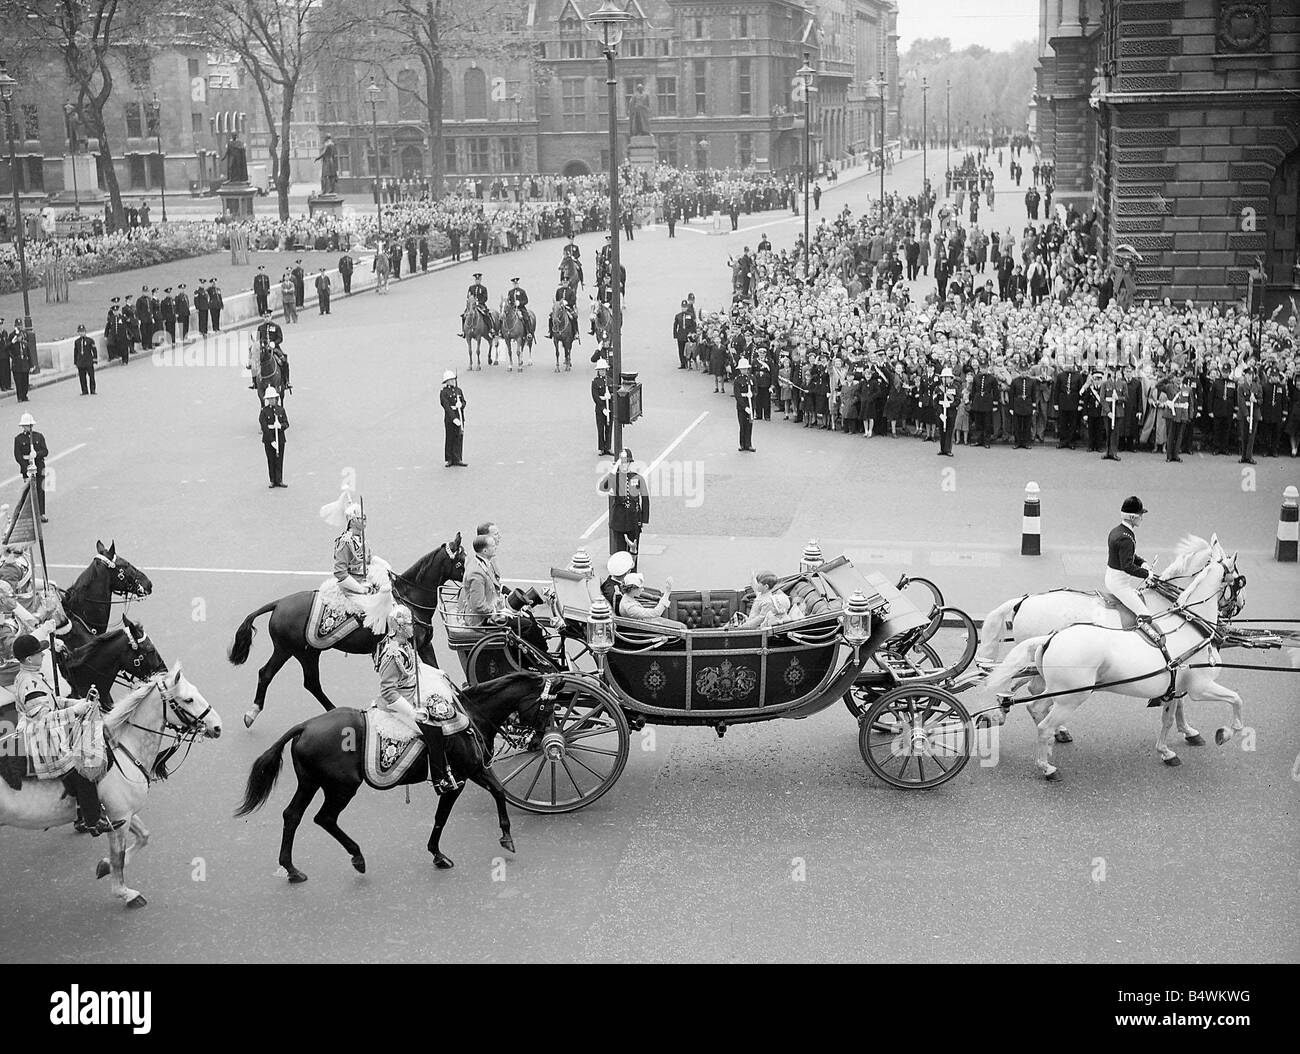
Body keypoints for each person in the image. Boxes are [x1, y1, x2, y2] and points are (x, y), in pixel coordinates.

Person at [11, 634, 120, 836]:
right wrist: (74, 712)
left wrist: (77, 703)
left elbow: (54, 701)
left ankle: (79, 811)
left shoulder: (32, 675)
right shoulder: (29, 684)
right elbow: (44, 719)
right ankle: (92, 821)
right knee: (82, 769)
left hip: (46, 733)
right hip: (42, 739)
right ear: (28, 659)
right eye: (38, 653)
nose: (43, 655)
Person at [374, 605, 457, 794]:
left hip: (412, 692)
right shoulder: (393, 654)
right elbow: (388, 692)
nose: (413, 627)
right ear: (399, 628)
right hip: (398, 705)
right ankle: (439, 780)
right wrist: (412, 713)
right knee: (433, 731)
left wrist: (438, 673)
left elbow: (417, 667)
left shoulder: (405, 644)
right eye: (410, 624)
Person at [1105, 496, 1161, 637]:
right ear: (1132, 517)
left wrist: (1142, 563)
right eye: (1140, 515)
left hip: (1113, 578)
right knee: (1145, 615)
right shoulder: (1126, 538)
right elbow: (1127, 566)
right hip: (1119, 585)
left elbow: (1129, 555)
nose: (1142, 517)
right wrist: (1147, 574)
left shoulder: (1118, 531)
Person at [604, 449, 650, 563]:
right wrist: (614, 470)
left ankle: (632, 576)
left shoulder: (637, 478)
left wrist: (643, 519)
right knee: (620, 554)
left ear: (630, 463)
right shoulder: (614, 477)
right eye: (622, 462)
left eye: (626, 462)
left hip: (634, 520)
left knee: (633, 552)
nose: (624, 465)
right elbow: (605, 486)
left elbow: (645, 499)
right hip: (619, 521)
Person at [618, 573, 684, 629]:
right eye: (640, 588)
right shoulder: (630, 607)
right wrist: (667, 591)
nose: (642, 590)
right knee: (682, 627)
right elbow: (656, 613)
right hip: (649, 628)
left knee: (682, 626)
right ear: (632, 589)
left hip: (649, 622)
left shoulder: (628, 597)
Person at [14, 413, 48, 522]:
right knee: (28, 491)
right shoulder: (18, 439)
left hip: (39, 466)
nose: (26, 427)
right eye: (24, 426)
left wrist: (36, 454)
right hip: (27, 468)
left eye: (28, 425)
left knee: (40, 490)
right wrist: (26, 469)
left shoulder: (38, 436)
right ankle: (28, 514)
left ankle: (41, 513)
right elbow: (18, 456)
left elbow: (45, 451)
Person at [259, 387, 288, 488]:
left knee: (279, 459)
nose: (272, 400)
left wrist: (280, 426)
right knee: (270, 459)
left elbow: (286, 423)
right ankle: (272, 480)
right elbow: (263, 426)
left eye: (273, 398)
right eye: (270, 399)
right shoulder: (264, 411)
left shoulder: (281, 410)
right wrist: (271, 440)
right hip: (269, 439)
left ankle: (279, 480)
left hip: (280, 438)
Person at [441, 370, 467, 467]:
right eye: (451, 380)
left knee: (459, 437)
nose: (453, 381)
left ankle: (458, 458)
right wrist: (453, 418)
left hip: (459, 416)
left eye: (453, 379)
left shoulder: (458, 390)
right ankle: (449, 459)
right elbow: (446, 406)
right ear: (447, 381)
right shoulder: (444, 392)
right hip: (450, 418)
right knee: (450, 437)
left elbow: (464, 401)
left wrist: (461, 405)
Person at [734, 357, 756, 452]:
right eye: (742, 369)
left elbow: (756, 390)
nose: (744, 370)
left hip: (751, 404)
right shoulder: (737, 380)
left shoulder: (752, 378)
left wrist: (753, 394)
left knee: (749, 425)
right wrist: (744, 407)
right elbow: (737, 395)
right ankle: (742, 444)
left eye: (745, 368)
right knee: (742, 425)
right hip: (742, 406)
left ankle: (749, 444)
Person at [592, 358, 613, 455]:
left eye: (604, 370)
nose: (602, 372)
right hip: (600, 409)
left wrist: (611, 396)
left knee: (609, 428)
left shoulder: (610, 380)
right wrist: (603, 408)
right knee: (600, 428)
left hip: (609, 408)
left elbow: (614, 393)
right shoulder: (595, 382)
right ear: (598, 371)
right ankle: (601, 448)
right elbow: (595, 397)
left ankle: (608, 447)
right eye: (601, 370)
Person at [506, 277, 532, 343]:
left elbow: (526, 300)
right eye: (514, 283)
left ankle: (528, 332)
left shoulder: (522, 291)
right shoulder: (510, 292)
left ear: (518, 283)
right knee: (505, 317)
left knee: (526, 318)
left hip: (521, 308)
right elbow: (508, 301)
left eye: (516, 283)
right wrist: (511, 304)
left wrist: (520, 303)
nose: (515, 284)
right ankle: (503, 332)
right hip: (513, 309)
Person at [73, 323, 97, 396]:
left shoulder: (90, 340)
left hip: (89, 361)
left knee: (91, 377)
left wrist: (95, 359)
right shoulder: (77, 342)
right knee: (82, 378)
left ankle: (92, 390)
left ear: (85, 332)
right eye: (80, 331)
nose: (81, 333)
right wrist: (75, 362)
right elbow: (76, 352)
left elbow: (94, 350)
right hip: (81, 362)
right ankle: (84, 390)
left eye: (83, 331)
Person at [10, 326, 32, 402]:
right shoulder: (13, 345)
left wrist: (31, 365)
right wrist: (11, 343)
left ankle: (24, 395)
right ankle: (19, 397)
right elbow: (6, 349)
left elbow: (29, 355)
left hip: (25, 365)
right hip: (17, 366)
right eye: (18, 337)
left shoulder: (25, 344)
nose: (19, 338)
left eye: (20, 336)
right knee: (18, 383)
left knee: (25, 382)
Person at [673, 300, 695, 369]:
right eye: (683, 307)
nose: (684, 309)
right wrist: (675, 334)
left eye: (685, 307)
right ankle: (682, 363)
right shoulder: (678, 316)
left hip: (688, 336)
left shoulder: (690, 316)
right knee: (681, 349)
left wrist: (692, 333)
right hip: (680, 335)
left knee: (688, 349)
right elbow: (675, 325)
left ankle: (688, 362)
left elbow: (693, 325)